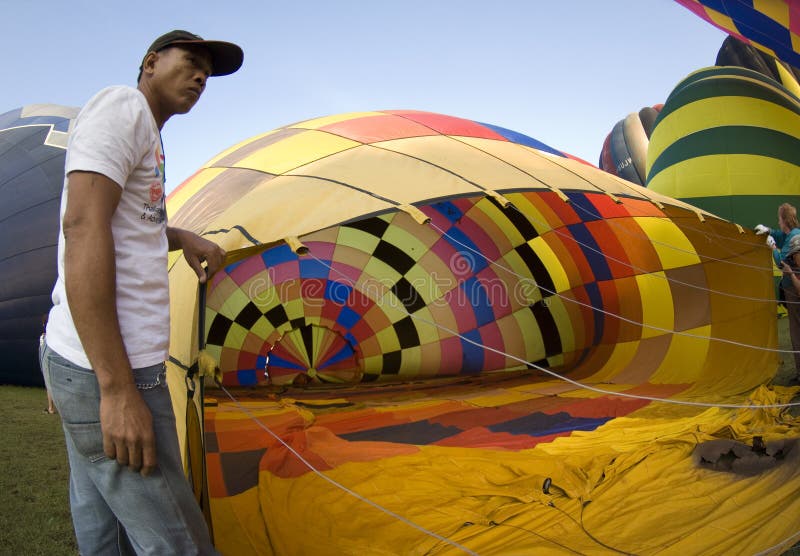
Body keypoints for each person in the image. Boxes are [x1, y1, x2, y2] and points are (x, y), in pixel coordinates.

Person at [41, 30, 243, 555]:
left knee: (103, 526)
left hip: (86, 359)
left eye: (208, 72)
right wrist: (112, 389)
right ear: (151, 62)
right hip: (116, 369)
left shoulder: (148, 135)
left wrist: (179, 236)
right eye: (192, 62)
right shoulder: (123, 107)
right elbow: (82, 226)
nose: (201, 76)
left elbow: (119, 227)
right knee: (179, 541)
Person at [757, 203, 800, 382]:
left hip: (795, 290)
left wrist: (773, 248)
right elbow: (782, 236)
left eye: (778, 219)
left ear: (783, 220)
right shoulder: (794, 234)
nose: (778, 222)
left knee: (796, 331)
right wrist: (769, 232)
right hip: (793, 288)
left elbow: (782, 263)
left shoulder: (795, 239)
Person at [39, 314, 55, 414]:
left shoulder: (43, 337)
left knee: (49, 385)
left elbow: (42, 353)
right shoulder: (56, 336)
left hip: (48, 363)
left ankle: (51, 408)